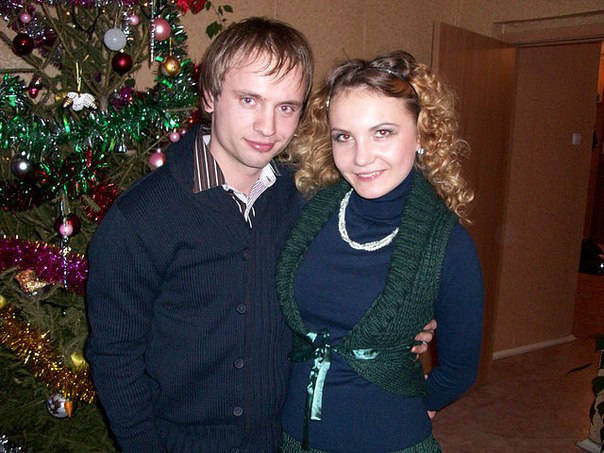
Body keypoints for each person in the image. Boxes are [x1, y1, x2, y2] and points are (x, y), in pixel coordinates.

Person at [85, 18, 434, 453]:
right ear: (210, 96)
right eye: (249, 99)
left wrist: (406, 322)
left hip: (287, 439)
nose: (268, 127)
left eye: (286, 107)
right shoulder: (141, 218)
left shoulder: (308, 199)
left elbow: (352, 280)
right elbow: (115, 357)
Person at [276, 51, 484, 453]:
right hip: (292, 439)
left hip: (391, 441)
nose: (361, 157)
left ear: (421, 134)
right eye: (344, 136)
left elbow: (459, 371)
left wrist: (414, 400)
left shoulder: (447, 246)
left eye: (382, 132)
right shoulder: (307, 214)